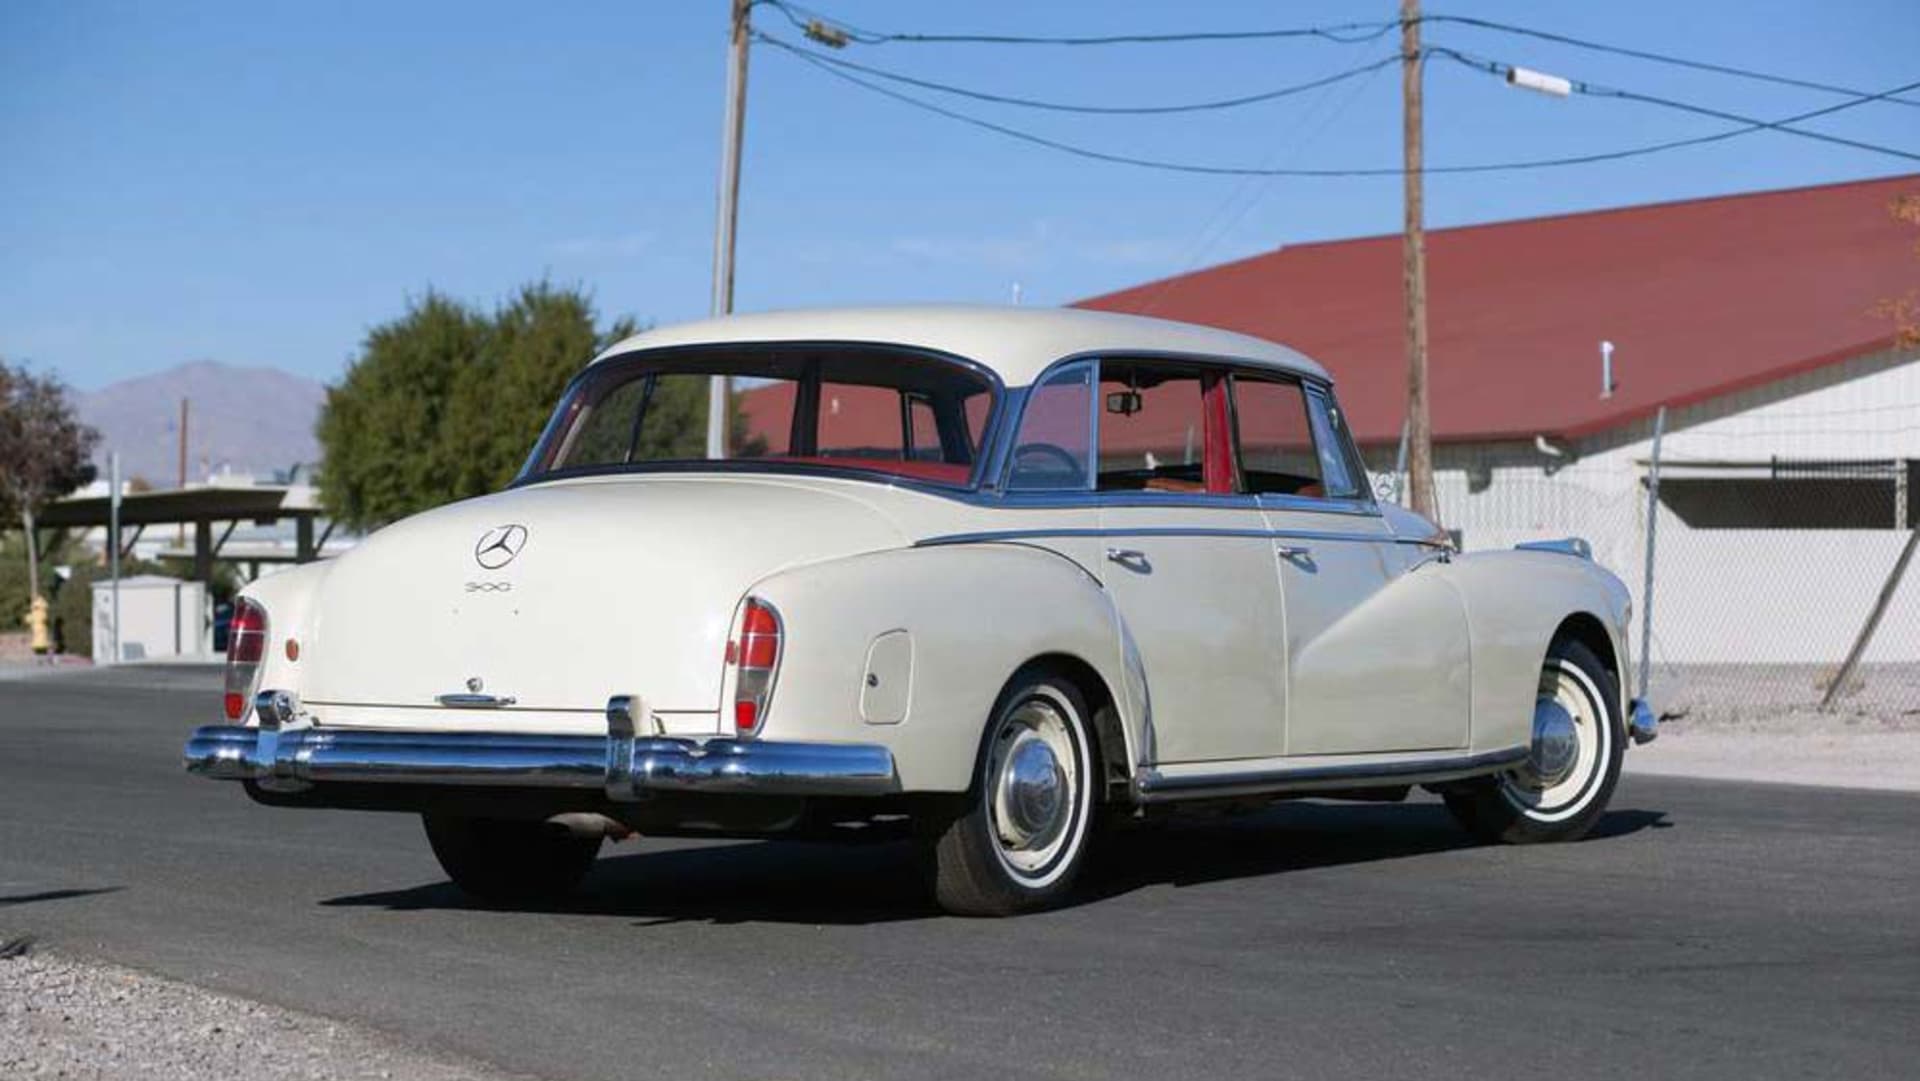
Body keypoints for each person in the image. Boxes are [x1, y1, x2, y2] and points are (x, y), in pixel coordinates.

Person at [24, 593, 52, 665]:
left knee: (38, 646)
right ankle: (46, 659)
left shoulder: (36, 612)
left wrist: (27, 617)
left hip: (37, 631)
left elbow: (28, 619)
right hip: (42, 630)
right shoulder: (44, 612)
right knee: (43, 646)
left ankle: (40, 660)